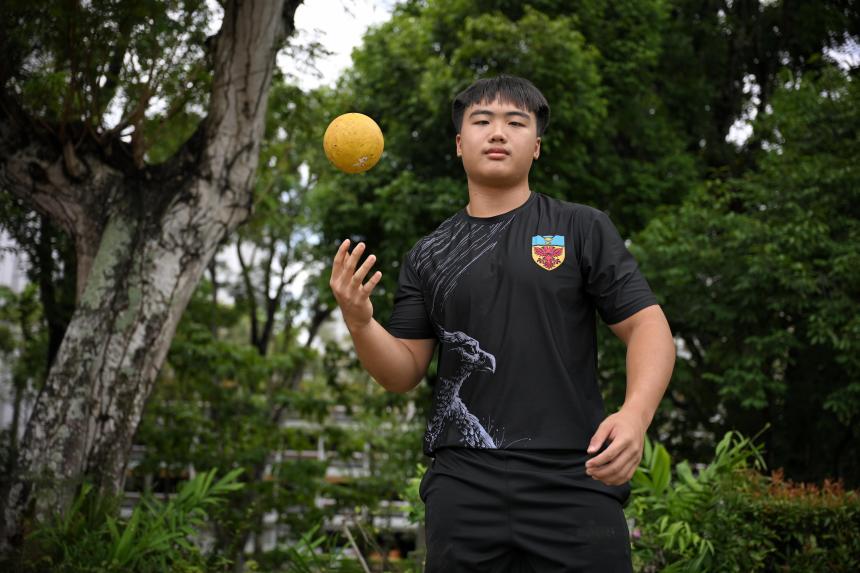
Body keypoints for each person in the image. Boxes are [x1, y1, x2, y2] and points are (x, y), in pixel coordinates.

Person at [329, 74, 675, 572]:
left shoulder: (581, 228)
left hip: (575, 474)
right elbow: (402, 371)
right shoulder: (428, 254)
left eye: (515, 122)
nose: (498, 132)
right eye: (482, 120)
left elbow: (649, 328)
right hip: (463, 483)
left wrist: (635, 416)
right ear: (458, 143)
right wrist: (361, 321)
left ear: (535, 146)